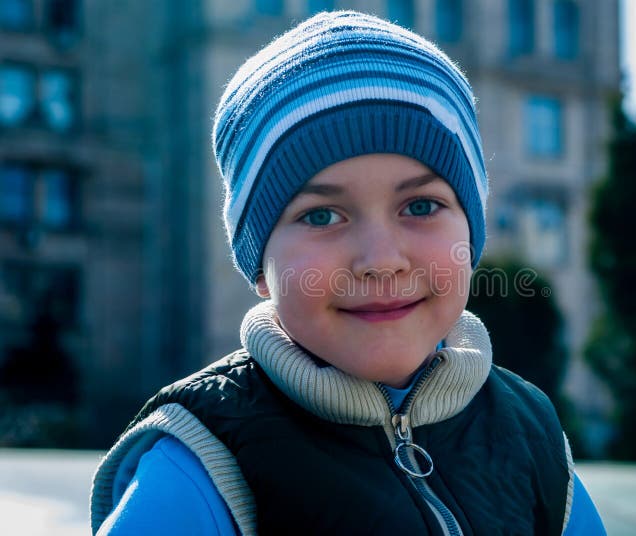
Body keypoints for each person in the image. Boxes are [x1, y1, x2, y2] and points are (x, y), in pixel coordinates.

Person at [90, 10, 605, 535]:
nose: (381, 259)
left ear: (470, 237)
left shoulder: (533, 437)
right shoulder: (203, 468)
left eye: (421, 206)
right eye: (321, 216)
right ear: (261, 268)